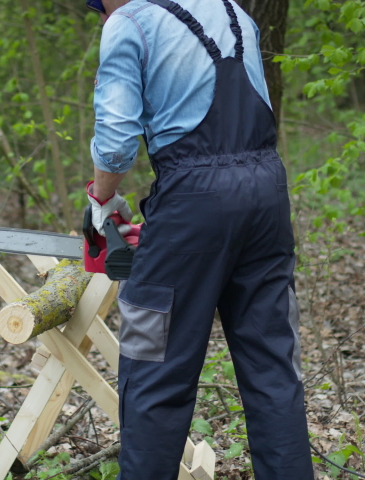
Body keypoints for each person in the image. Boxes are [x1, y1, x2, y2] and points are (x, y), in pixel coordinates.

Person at [84, 0, 316, 479]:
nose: (102, 14)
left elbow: (116, 141)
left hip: (192, 199)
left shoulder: (129, 22)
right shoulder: (235, 12)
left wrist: (101, 201)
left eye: (99, 6)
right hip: (267, 194)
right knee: (274, 368)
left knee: (154, 371)